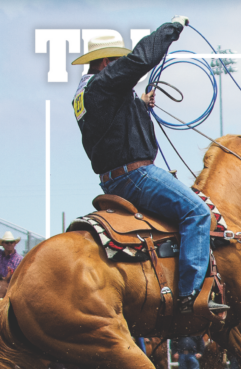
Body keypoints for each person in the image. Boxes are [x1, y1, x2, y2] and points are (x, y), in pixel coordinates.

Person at [71, 19, 228, 316]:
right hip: (136, 175)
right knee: (196, 212)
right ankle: (191, 295)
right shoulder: (105, 83)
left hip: (112, 180)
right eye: (117, 61)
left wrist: (140, 105)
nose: (121, 66)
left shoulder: (85, 94)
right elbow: (140, 59)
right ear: (106, 62)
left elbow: (111, 127)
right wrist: (172, 28)